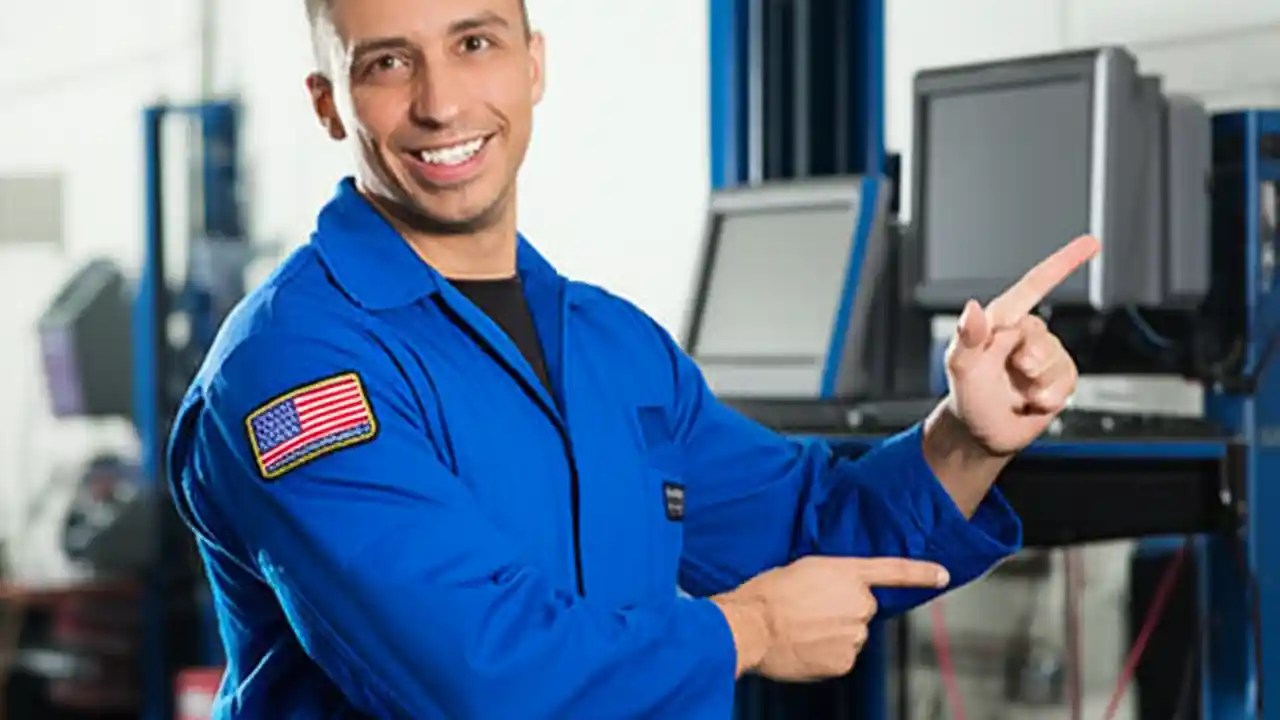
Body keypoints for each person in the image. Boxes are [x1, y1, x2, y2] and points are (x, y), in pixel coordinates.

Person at [164, 0, 1099, 717]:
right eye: (387, 63)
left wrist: (967, 439)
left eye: (475, 42)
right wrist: (752, 628)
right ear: (330, 103)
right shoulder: (298, 367)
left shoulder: (613, 348)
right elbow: (475, 678)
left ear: (535, 66)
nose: (441, 101)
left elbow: (812, 539)